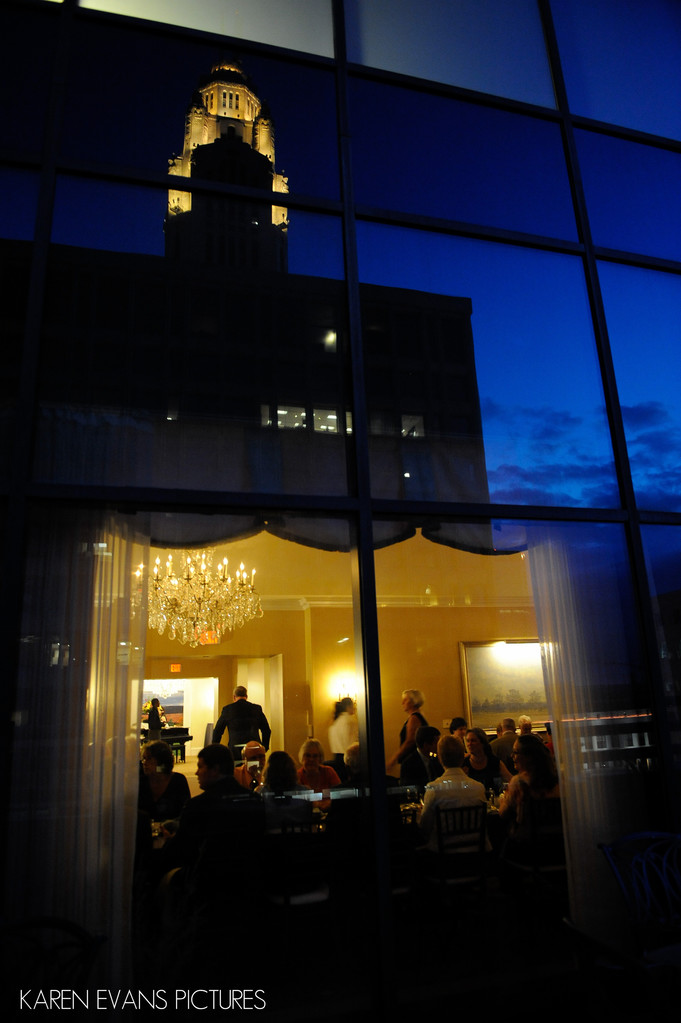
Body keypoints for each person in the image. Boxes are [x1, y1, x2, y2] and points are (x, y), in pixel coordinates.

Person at [161, 744, 264, 870]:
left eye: (200, 767)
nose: (197, 772)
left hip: (209, 876)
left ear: (215, 770)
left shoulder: (197, 806)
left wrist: (169, 840)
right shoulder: (255, 800)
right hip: (249, 874)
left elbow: (180, 851)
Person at [418, 735, 486, 851]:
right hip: (476, 851)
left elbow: (425, 828)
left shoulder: (434, 789)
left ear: (440, 758)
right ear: (462, 757)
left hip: (444, 853)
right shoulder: (478, 787)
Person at [499, 733, 560, 836]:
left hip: (528, 840)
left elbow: (503, 813)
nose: (512, 756)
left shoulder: (519, 782)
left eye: (516, 752)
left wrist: (502, 801)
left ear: (528, 757)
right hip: (557, 839)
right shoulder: (557, 781)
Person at [258, 750, 313, 830]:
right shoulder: (305, 792)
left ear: (268, 771)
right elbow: (309, 819)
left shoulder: (261, 794)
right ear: (292, 770)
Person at [138, 739, 191, 821]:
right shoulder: (141, 781)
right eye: (144, 759)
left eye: (149, 758)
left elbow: (186, 813)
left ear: (161, 761)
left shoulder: (178, 780)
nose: (144, 763)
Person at [212, 685, 271, 757]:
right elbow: (266, 730)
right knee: (254, 764)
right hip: (253, 748)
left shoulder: (228, 709)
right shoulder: (256, 708)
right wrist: (264, 747)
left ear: (234, 697)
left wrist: (214, 749)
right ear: (246, 696)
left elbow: (218, 731)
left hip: (235, 749)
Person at [386, 689, 427, 773]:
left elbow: (410, 741)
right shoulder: (416, 716)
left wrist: (393, 759)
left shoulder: (414, 718)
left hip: (414, 763)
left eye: (405, 700)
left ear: (414, 701)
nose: (402, 703)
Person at [463, 727, 512, 793]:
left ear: (482, 743)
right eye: (468, 741)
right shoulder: (464, 764)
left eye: (473, 741)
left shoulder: (494, 762)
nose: (469, 744)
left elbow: (510, 780)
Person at [297, 738, 341, 808]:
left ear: (320, 758)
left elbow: (340, 795)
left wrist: (330, 803)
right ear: (302, 757)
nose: (311, 759)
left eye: (315, 756)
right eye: (308, 755)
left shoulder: (329, 772)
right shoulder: (297, 777)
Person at [399, 725, 443, 791]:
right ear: (426, 745)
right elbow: (407, 789)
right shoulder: (408, 764)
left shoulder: (435, 759)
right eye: (436, 742)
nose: (439, 745)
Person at [328, 697, 359, 778]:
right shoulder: (351, 721)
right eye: (353, 706)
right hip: (349, 759)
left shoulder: (335, 723)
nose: (355, 709)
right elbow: (354, 744)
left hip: (337, 760)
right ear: (348, 707)